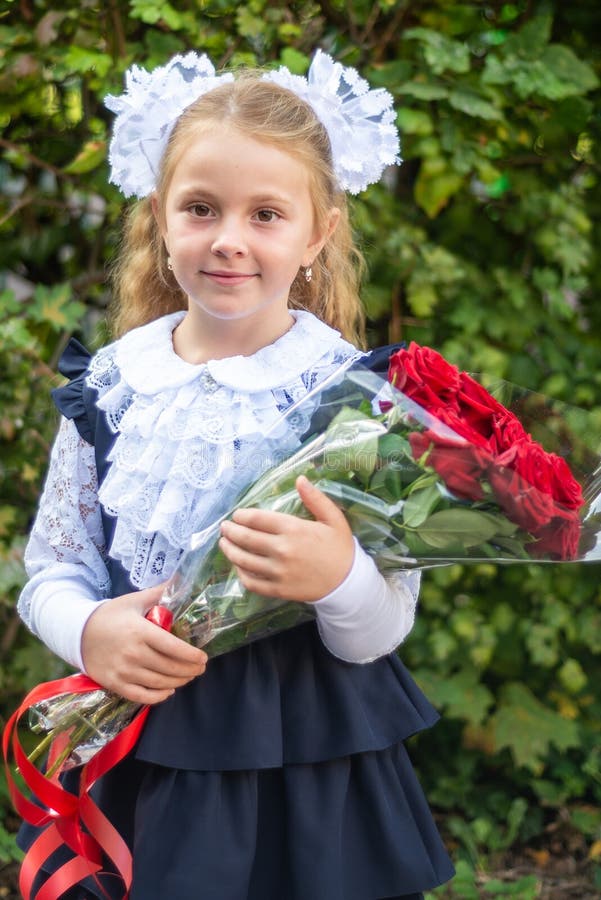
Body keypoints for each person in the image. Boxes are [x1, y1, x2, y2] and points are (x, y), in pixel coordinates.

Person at [16, 50, 454, 900]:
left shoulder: (353, 398)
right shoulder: (111, 380)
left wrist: (338, 578)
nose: (228, 239)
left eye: (266, 214)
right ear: (160, 216)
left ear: (317, 234)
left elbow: (381, 629)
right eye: (201, 208)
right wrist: (87, 633)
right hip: (145, 746)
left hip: (311, 760)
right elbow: (52, 569)